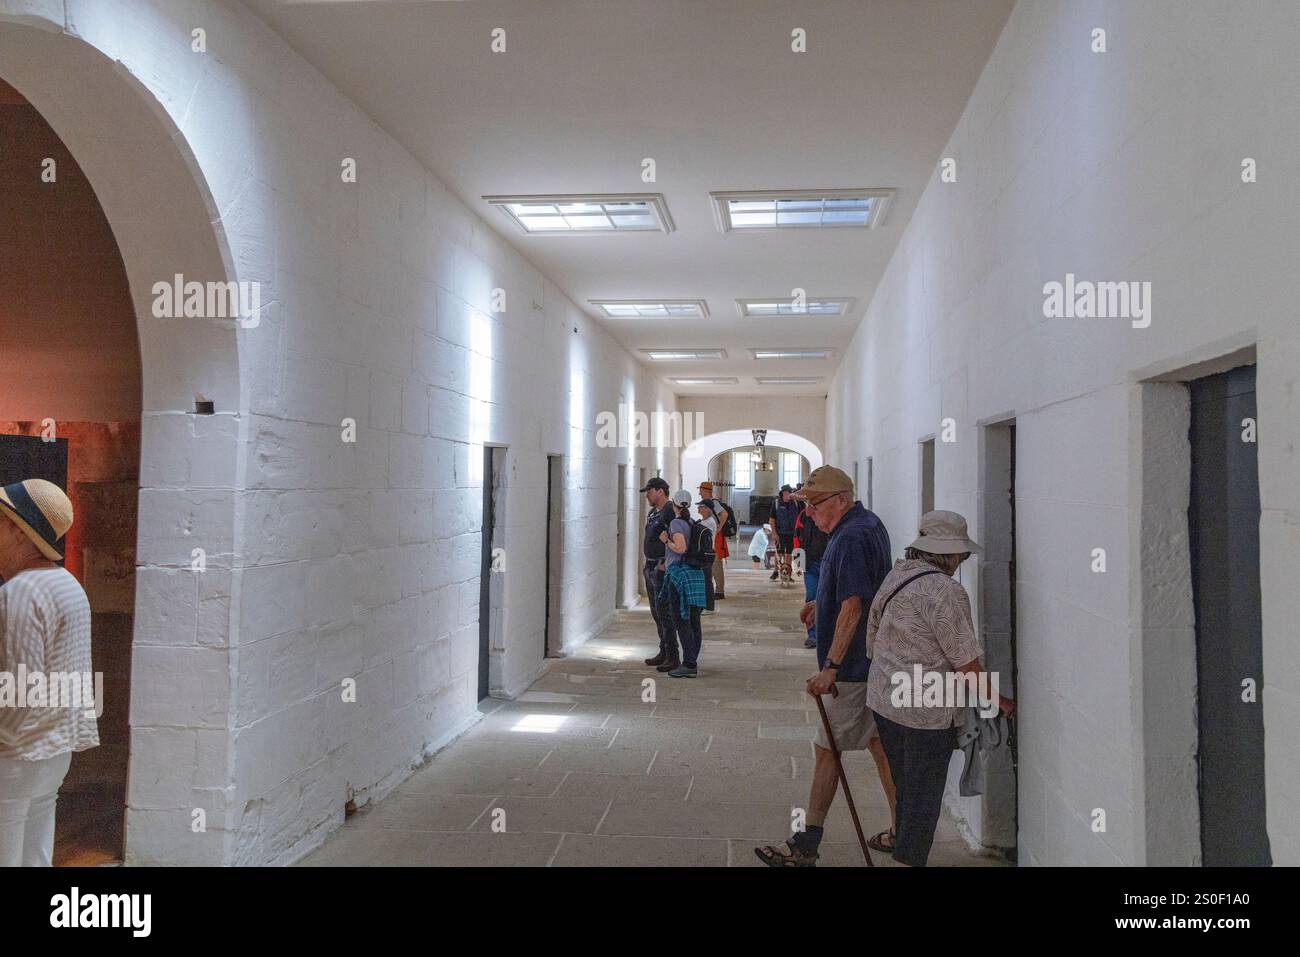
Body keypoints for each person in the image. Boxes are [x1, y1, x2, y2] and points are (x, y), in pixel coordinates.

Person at [755, 466, 892, 867]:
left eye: (814, 505)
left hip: (850, 668)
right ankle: (905, 830)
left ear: (841, 501)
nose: (808, 514)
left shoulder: (851, 535)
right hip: (869, 661)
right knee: (879, 746)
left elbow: (855, 603)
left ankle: (806, 844)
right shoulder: (866, 525)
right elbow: (857, 592)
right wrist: (822, 605)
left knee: (826, 750)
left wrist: (831, 665)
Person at [866, 510, 1014, 867]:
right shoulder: (947, 591)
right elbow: (965, 662)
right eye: (960, 554)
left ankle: (902, 845)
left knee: (906, 789)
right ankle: (907, 860)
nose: (962, 559)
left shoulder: (896, 575)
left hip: (886, 700)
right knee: (924, 798)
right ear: (950, 554)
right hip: (925, 710)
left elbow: (871, 639)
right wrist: (1001, 701)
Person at [0, 479, 98, 867]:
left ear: (16, 528)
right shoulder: (67, 583)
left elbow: (19, 689)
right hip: (53, 751)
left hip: (16, 752)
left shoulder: (22, 590)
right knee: (34, 857)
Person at [657, 490, 706, 677]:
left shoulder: (676, 523)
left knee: (681, 619)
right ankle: (691, 660)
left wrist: (666, 541)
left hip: (679, 575)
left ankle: (689, 664)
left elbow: (681, 548)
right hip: (693, 575)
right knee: (693, 620)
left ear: (674, 505)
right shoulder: (691, 522)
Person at [640, 478, 681, 673]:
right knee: (657, 613)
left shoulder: (670, 512)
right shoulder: (653, 513)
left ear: (660, 491)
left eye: (649, 491)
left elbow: (677, 538)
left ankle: (673, 656)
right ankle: (663, 651)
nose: (647, 495)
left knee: (665, 614)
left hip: (661, 569)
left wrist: (665, 564)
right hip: (650, 567)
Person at [794, 506, 828, 650]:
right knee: (811, 597)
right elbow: (797, 538)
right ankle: (813, 635)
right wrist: (798, 563)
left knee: (828, 598)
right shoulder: (803, 515)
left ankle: (826, 634)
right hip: (810, 563)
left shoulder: (829, 511)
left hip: (828, 562)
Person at [698, 481, 730, 599]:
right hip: (712, 536)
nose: (699, 493)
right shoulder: (709, 503)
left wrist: (719, 528)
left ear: (706, 491)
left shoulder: (713, 503)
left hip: (715, 537)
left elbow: (724, 514)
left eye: (701, 490)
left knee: (716, 564)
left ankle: (720, 591)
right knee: (712, 564)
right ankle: (713, 589)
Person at [769, 485, 799, 586]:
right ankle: (776, 571)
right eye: (786, 493)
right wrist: (774, 533)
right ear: (782, 493)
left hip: (792, 533)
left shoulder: (795, 503)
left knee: (789, 554)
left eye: (789, 493)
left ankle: (788, 573)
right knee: (779, 553)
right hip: (780, 533)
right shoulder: (776, 503)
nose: (788, 495)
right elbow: (772, 520)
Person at [696, 499, 719, 612]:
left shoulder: (709, 522)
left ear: (707, 509)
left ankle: (709, 607)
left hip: (706, 554)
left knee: (706, 581)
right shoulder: (703, 521)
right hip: (703, 554)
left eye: (700, 507)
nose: (698, 509)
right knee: (704, 580)